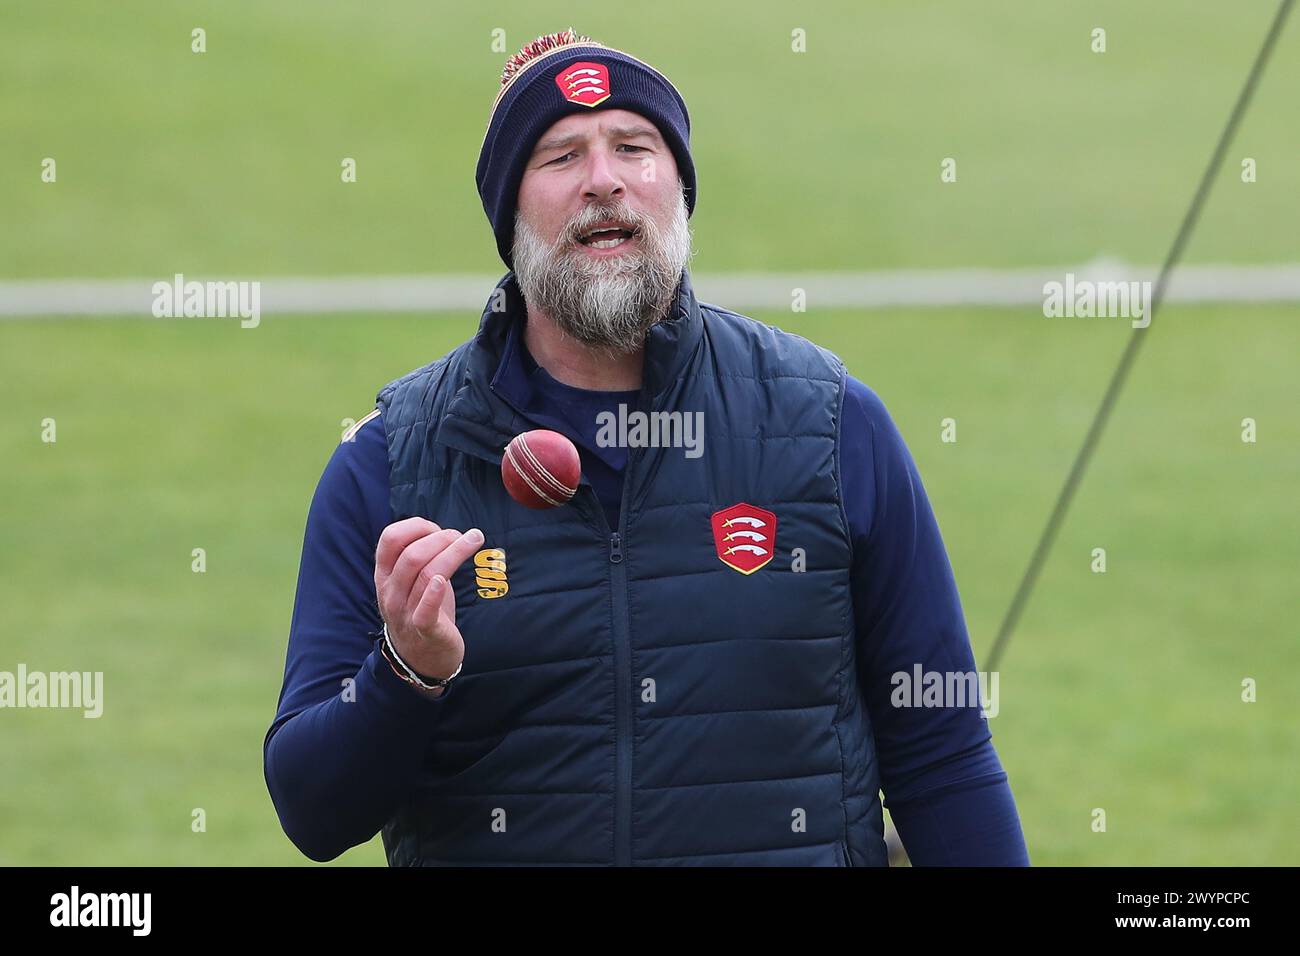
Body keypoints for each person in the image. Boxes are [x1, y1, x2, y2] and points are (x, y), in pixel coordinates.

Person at [264, 28, 1030, 867]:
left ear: (679, 191)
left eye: (635, 146)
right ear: (508, 217)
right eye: (559, 157)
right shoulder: (391, 465)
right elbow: (313, 812)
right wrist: (405, 674)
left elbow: (943, 759)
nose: (605, 180)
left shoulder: (833, 427)